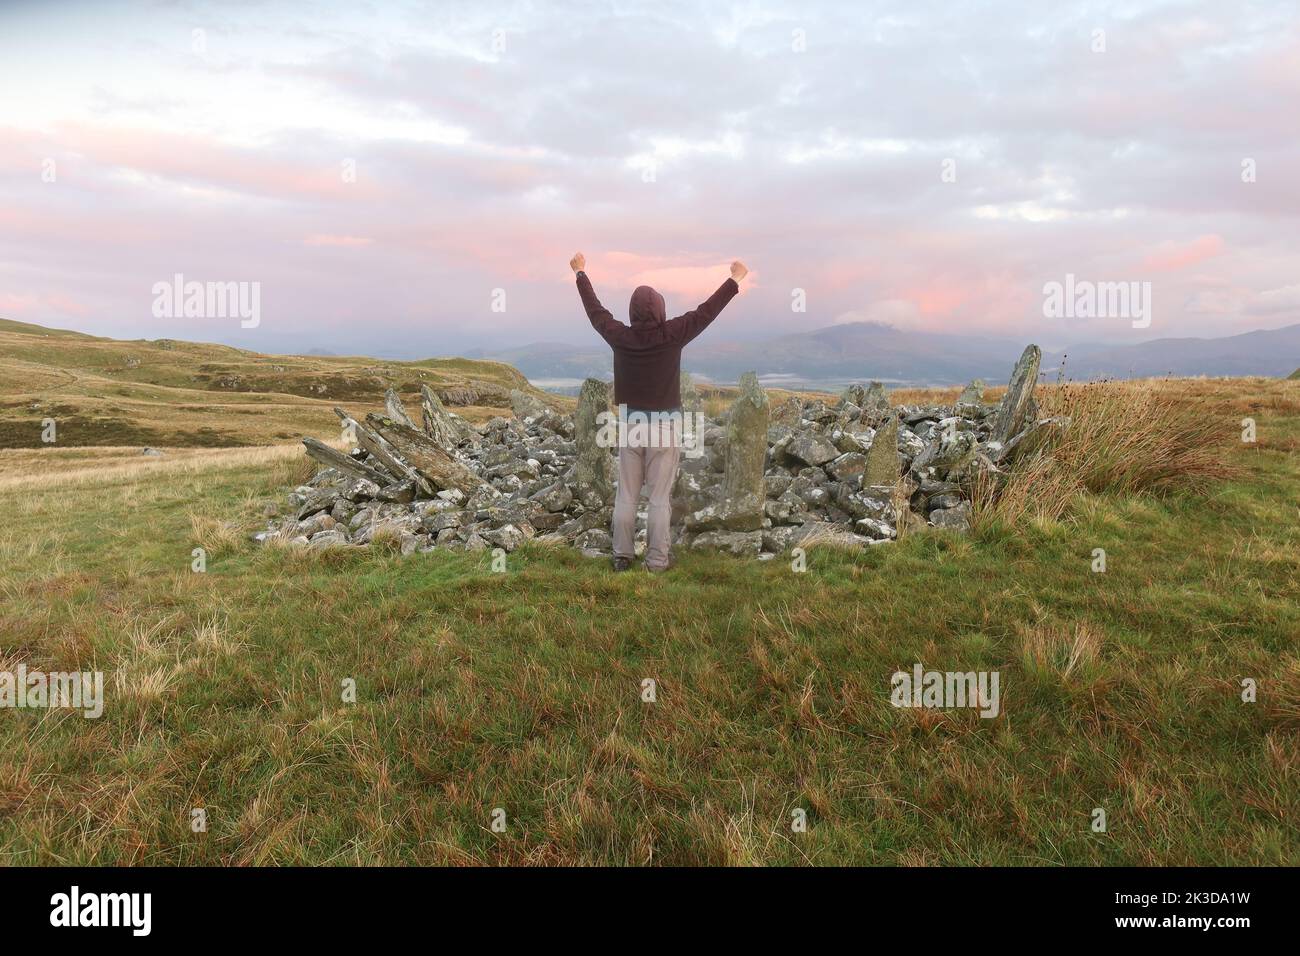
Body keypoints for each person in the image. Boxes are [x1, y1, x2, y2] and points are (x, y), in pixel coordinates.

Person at [569, 252, 747, 571]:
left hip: (630, 425)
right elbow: (706, 312)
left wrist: (581, 274)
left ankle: (622, 557)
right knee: (658, 499)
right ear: (661, 310)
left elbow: (596, 313)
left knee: (626, 495)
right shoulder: (673, 334)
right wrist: (734, 280)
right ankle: (656, 561)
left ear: (632, 312)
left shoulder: (620, 336)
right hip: (664, 425)